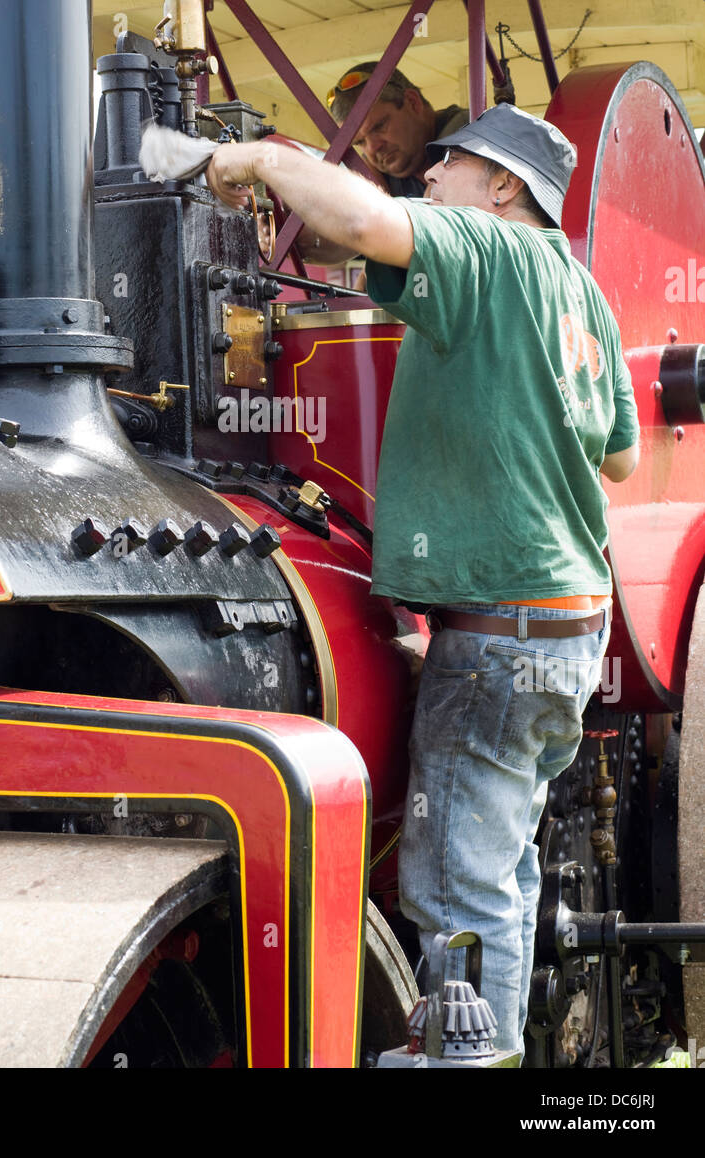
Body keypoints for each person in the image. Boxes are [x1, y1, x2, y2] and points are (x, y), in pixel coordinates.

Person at [206, 103, 640, 1059]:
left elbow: (364, 224)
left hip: (498, 633)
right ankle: (491, 1047)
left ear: (503, 189)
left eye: (451, 163)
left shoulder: (485, 247)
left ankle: (464, 1055)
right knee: (504, 868)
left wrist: (252, 156)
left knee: (453, 879)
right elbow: (618, 460)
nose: (430, 177)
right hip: (567, 623)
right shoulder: (581, 291)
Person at [301, 63, 468, 266]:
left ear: (413, 103)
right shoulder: (380, 171)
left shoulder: (468, 133)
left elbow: (441, 226)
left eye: (380, 126)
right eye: (360, 142)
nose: (373, 148)